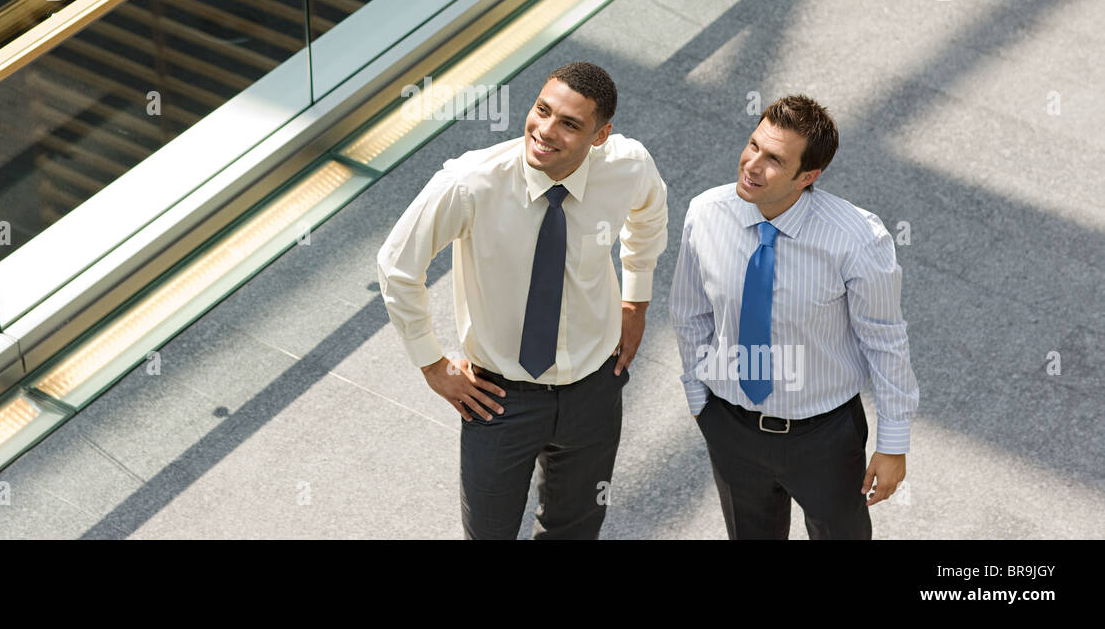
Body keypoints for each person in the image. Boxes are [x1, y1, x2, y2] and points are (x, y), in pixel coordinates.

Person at [377, 61, 668, 539]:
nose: (545, 131)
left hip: (594, 388)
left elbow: (649, 214)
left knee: (575, 528)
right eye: (542, 110)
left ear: (600, 135)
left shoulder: (627, 166)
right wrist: (432, 364)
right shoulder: (471, 183)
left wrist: (637, 299)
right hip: (499, 400)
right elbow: (397, 265)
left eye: (570, 124)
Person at [668, 94, 919, 539]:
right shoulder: (706, 213)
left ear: (808, 176)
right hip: (730, 426)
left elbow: (885, 341)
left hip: (824, 438)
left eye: (773, 160)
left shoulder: (856, 239)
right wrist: (698, 401)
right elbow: (690, 312)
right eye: (753, 145)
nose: (751, 164)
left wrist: (893, 444)